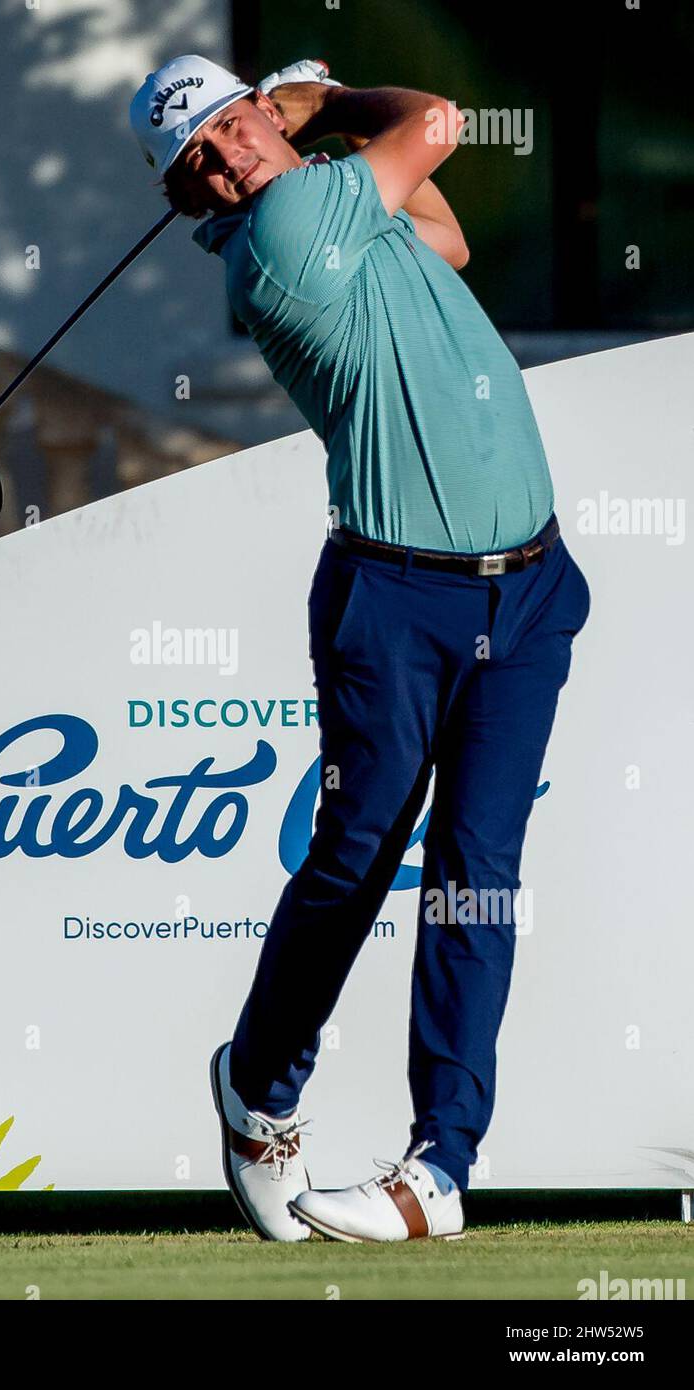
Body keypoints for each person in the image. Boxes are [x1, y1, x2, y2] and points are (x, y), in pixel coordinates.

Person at [129, 56, 591, 1242]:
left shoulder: (336, 204)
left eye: (230, 124)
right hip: (395, 599)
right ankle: (260, 1084)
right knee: (359, 854)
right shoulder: (282, 230)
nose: (228, 155)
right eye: (202, 159)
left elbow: (445, 242)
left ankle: (440, 1168)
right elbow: (436, 121)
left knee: (476, 872)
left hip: (527, 593)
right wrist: (320, 106)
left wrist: (317, 136)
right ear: (198, 197)